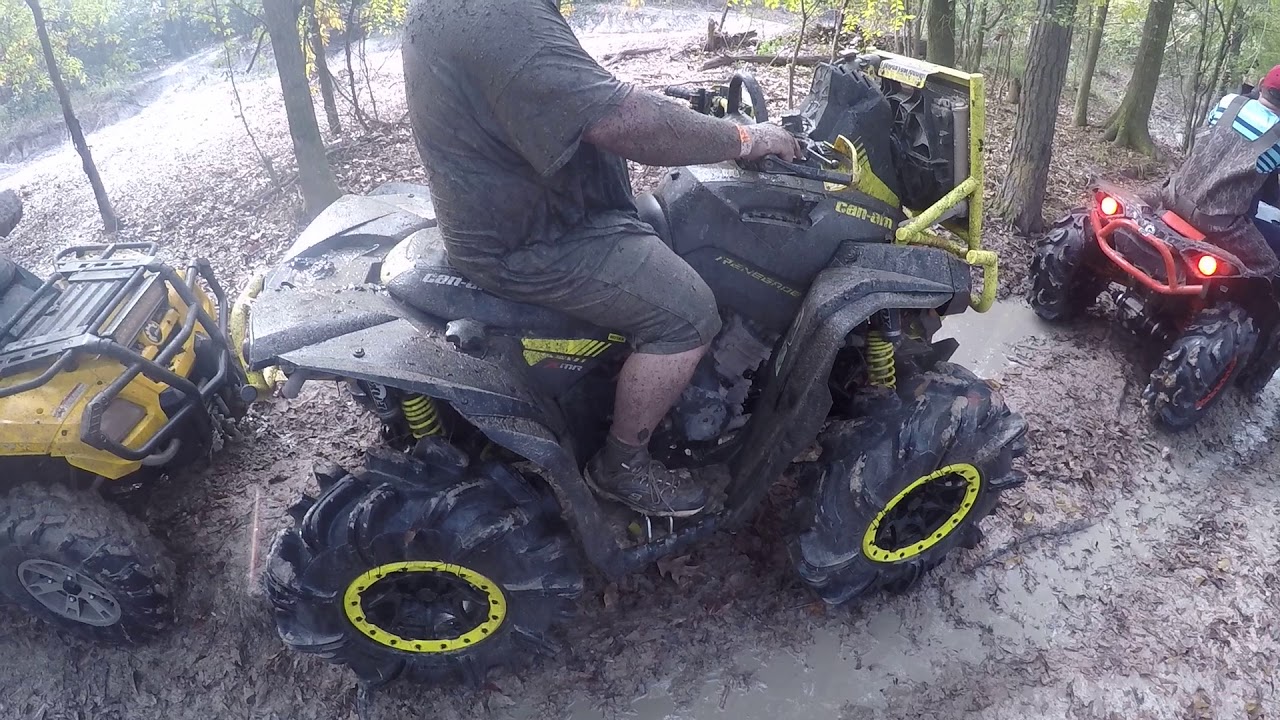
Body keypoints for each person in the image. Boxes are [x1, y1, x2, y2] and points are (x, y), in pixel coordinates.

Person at [402, 0, 802, 518]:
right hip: (534, 239)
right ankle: (623, 466)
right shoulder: (493, 13)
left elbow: (574, 88)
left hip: (532, 207)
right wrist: (742, 138)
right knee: (689, 313)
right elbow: (617, 119)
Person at [1146, 65, 1280, 275]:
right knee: (1268, 265)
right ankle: (1223, 302)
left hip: (1172, 194)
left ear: (1262, 83)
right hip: (1219, 223)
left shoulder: (1229, 102)